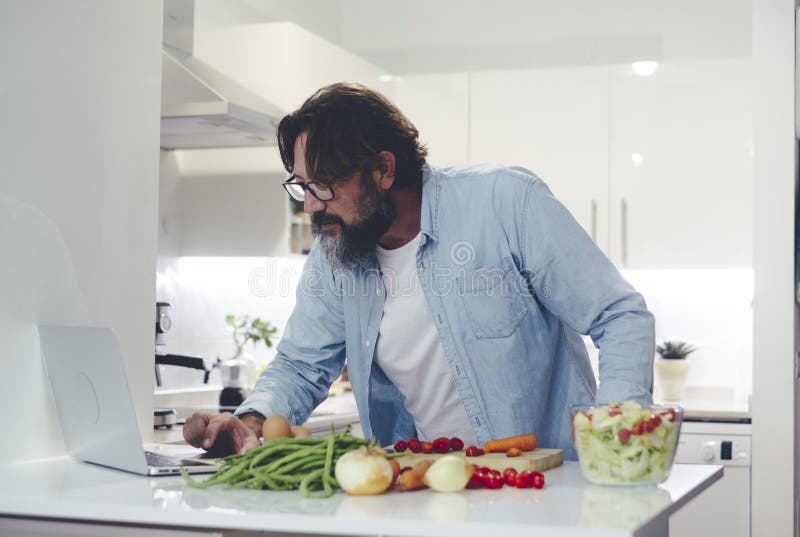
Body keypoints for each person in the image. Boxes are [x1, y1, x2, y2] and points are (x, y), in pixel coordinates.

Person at [184, 82, 655, 459]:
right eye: (302, 186)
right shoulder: (335, 256)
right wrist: (247, 424)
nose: (310, 206)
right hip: (426, 495)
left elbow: (620, 315)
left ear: (383, 170)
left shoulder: (505, 203)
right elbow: (300, 365)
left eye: (323, 186)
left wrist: (612, 439)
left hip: (549, 489)